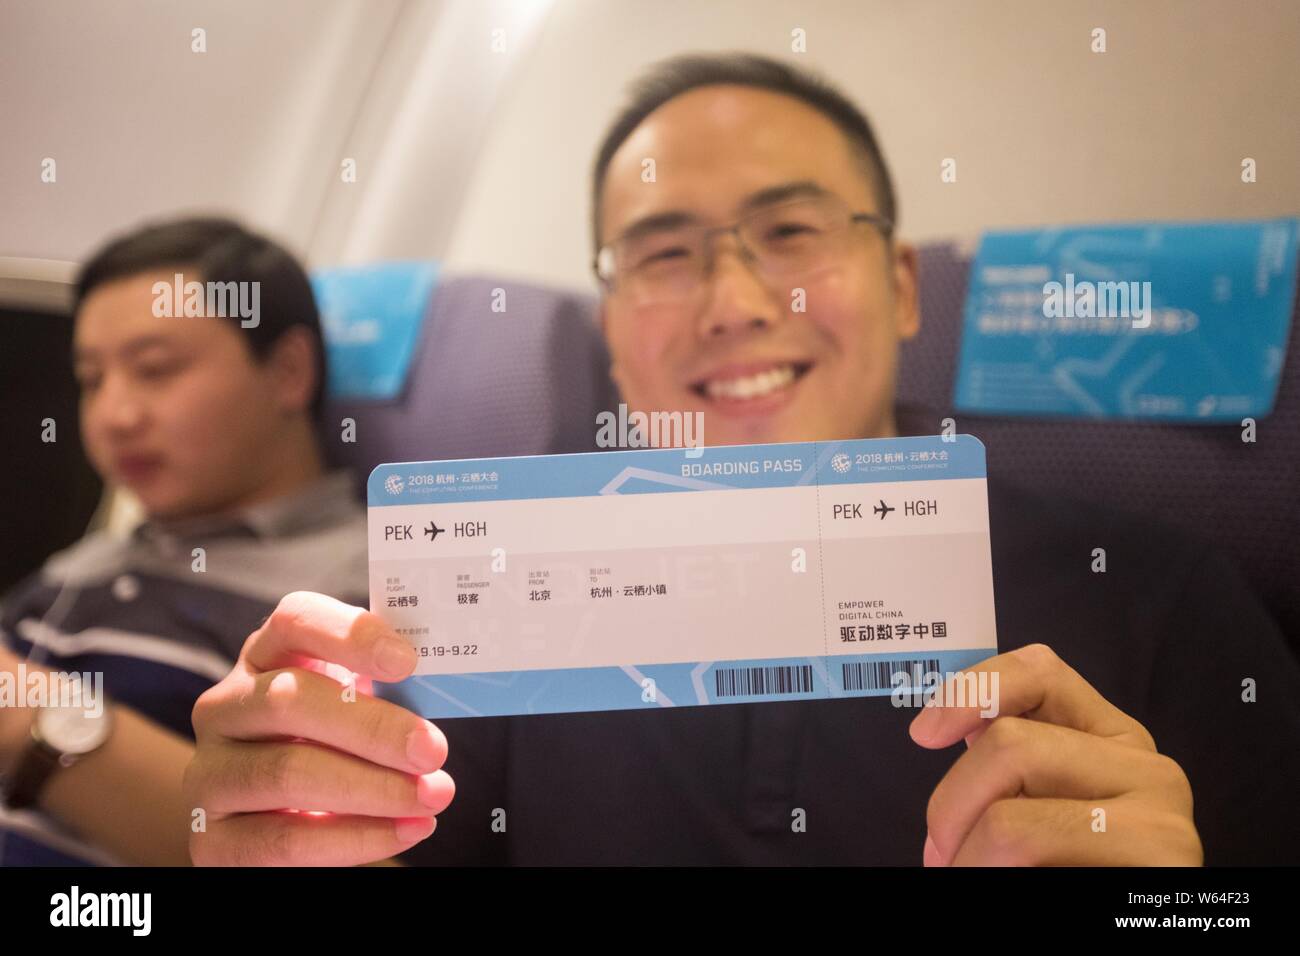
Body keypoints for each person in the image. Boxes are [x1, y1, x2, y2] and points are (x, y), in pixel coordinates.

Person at [184, 53, 1300, 866]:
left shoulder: (1160, 597)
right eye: (664, 254)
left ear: (903, 284)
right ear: (614, 331)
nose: (734, 303)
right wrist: (261, 829)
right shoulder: (482, 604)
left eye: (792, 233)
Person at [0, 217, 367, 864]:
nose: (114, 415)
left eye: (155, 369)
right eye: (92, 380)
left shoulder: (364, 589)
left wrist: (27, 720)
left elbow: (331, 852)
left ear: (287, 372)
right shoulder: (87, 561)